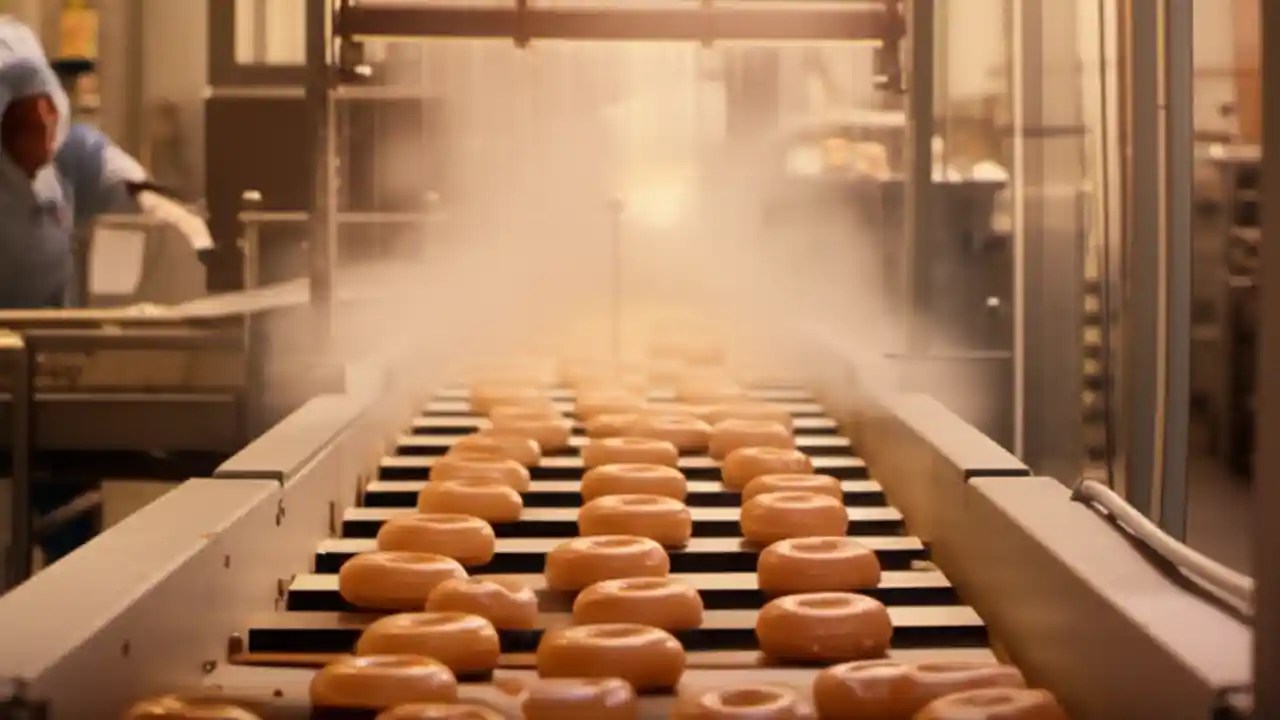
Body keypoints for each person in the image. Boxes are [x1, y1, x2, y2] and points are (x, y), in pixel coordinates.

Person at [0, 17, 214, 562]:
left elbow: (106, 167)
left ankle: (67, 575)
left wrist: (166, 211)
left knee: (66, 500)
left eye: (48, 115)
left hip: (49, 358)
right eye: (26, 121)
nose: (43, 131)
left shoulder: (64, 155)